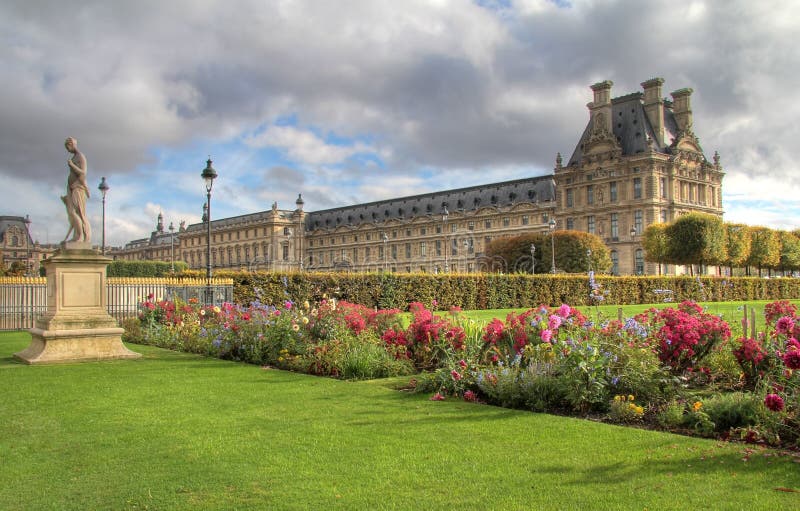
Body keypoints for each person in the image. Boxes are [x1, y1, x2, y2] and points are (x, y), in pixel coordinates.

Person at [62, 137, 91, 243]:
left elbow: (83, 173)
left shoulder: (80, 156)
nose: (67, 150)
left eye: (67, 147)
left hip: (78, 188)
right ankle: (78, 236)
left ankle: (82, 237)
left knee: (78, 213)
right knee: (73, 213)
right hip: (73, 188)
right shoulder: (75, 157)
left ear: (72, 144)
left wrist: (72, 165)